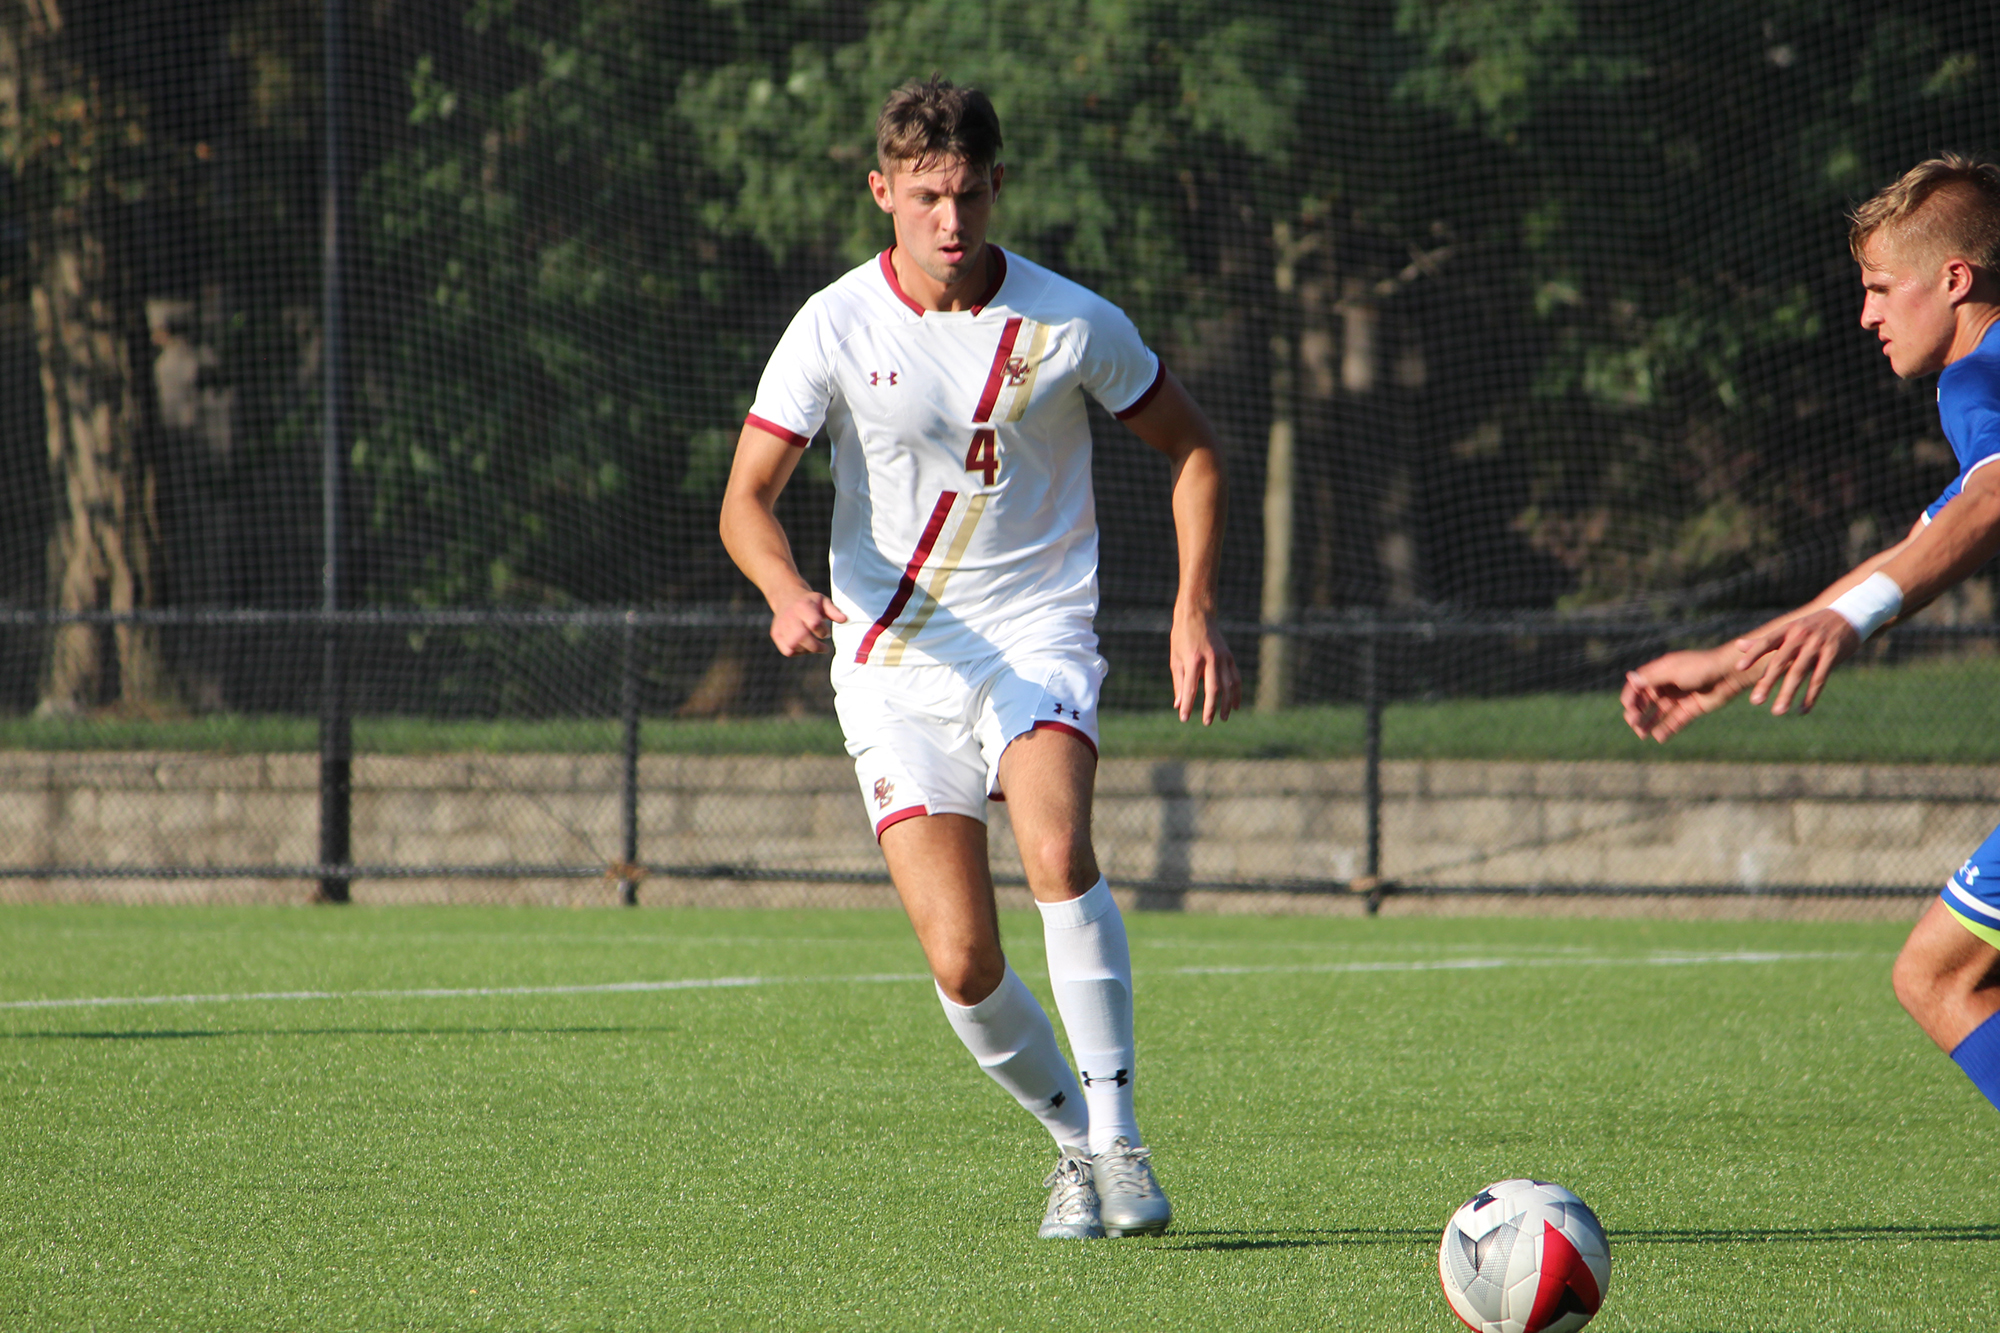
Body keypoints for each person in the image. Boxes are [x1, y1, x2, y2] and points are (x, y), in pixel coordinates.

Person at [718, 75, 1240, 1240]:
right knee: (961, 961)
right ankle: (1067, 1144)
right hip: (891, 663)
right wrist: (783, 587)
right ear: (881, 194)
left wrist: (1191, 606)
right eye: (922, 196)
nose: (947, 219)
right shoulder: (833, 325)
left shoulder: (1068, 323)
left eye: (964, 192)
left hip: (1034, 634)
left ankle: (1118, 1140)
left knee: (1055, 842)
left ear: (996, 184)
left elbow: (1193, 449)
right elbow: (745, 500)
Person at [1621, 153, 2000, 1118]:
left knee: (1939, 977)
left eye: (1880, 289)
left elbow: (1993, 499)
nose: (1868, 315)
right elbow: (1925, 541)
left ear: (1956, 280)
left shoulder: (1980, 375)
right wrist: (1728, 668)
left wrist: (1848, 618)